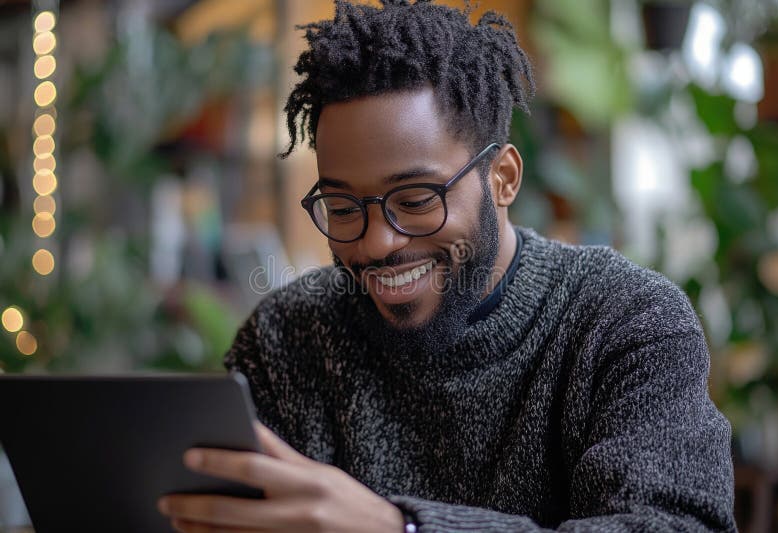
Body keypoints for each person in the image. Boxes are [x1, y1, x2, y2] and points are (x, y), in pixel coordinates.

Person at [158, 1, 736, 531]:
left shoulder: (623, 321)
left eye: (414, 200)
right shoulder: (285, 338)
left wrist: (400, 527)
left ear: (503, 178)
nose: (378, 243)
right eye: (342, 207)